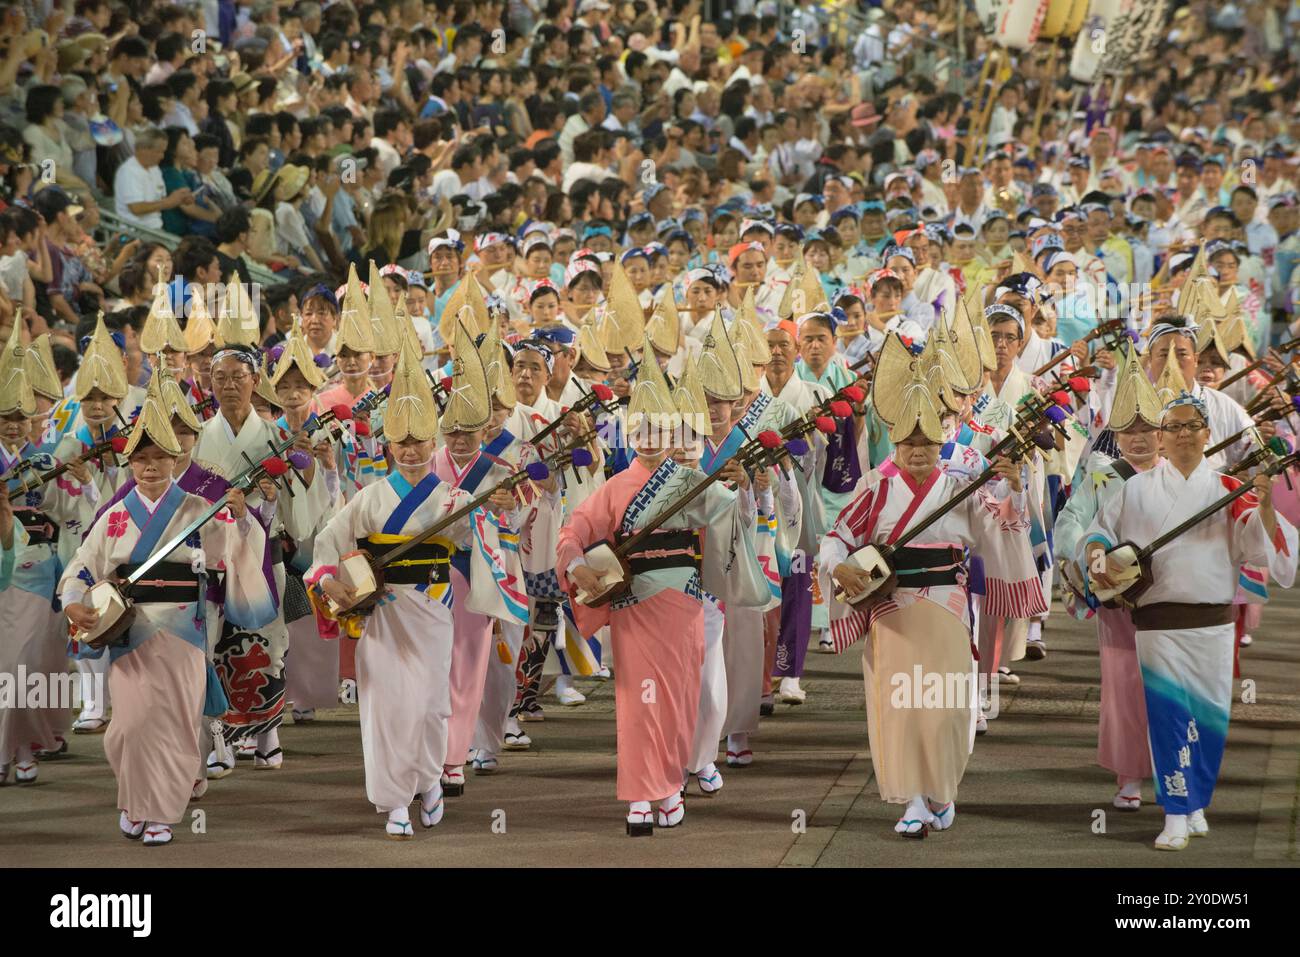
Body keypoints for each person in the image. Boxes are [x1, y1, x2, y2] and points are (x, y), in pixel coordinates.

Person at [821, 333, 1044, 837]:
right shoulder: (876, 485)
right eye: (908, 442)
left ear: (941, 439)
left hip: (946, 601)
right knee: (901, 705)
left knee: (943, 706)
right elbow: (837, 536)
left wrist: (1011, 486)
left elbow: (997, 525)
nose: (918, 451)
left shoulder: (962, 481)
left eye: (926, 441)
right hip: (889, 606)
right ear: (895, 443)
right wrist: (839, 567)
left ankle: (942, 791)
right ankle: (915, 801)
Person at [557, 317, 770, 835]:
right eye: (641, 429)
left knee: (677, 698)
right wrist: (577, 564)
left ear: (673, 429)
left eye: (660, 428)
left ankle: (670, 785)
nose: (651, 438)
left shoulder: (690, 480)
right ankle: (639, 795)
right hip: (634, 607)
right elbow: (572, 533)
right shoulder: (611, 488)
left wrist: (745, 486)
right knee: (636, 701)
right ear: (631, 432)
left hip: (684, 603)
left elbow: (732, 517)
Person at [1084, 391, 1297, 851]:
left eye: (1191, 426)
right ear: (1161, 437)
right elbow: (1099, 530)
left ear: (1207, 434)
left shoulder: (1226, 489)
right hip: (1158, 624)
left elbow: (1260, 548)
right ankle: (1176, 813)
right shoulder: (1135, 489)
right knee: (1168, 718)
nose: (1183, 434)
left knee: (1208, 721)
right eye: (1174, 427)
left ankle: (1197, 804)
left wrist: (1262, 503)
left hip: (1214, 625)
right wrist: (1098, 553)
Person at [59, 386, 272, 847]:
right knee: (128, 728)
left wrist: (242, 520)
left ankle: (160, 812)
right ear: (130, 464)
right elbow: (82, 563)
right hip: (128, 630)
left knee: (175, 723)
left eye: (159, 457)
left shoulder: (199, 510)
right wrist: (74, 597)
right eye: (140, 459)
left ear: (176, 459)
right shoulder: (116, 516)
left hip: (183, 630)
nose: (149, 466)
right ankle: (136, 799)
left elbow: (233, 553)